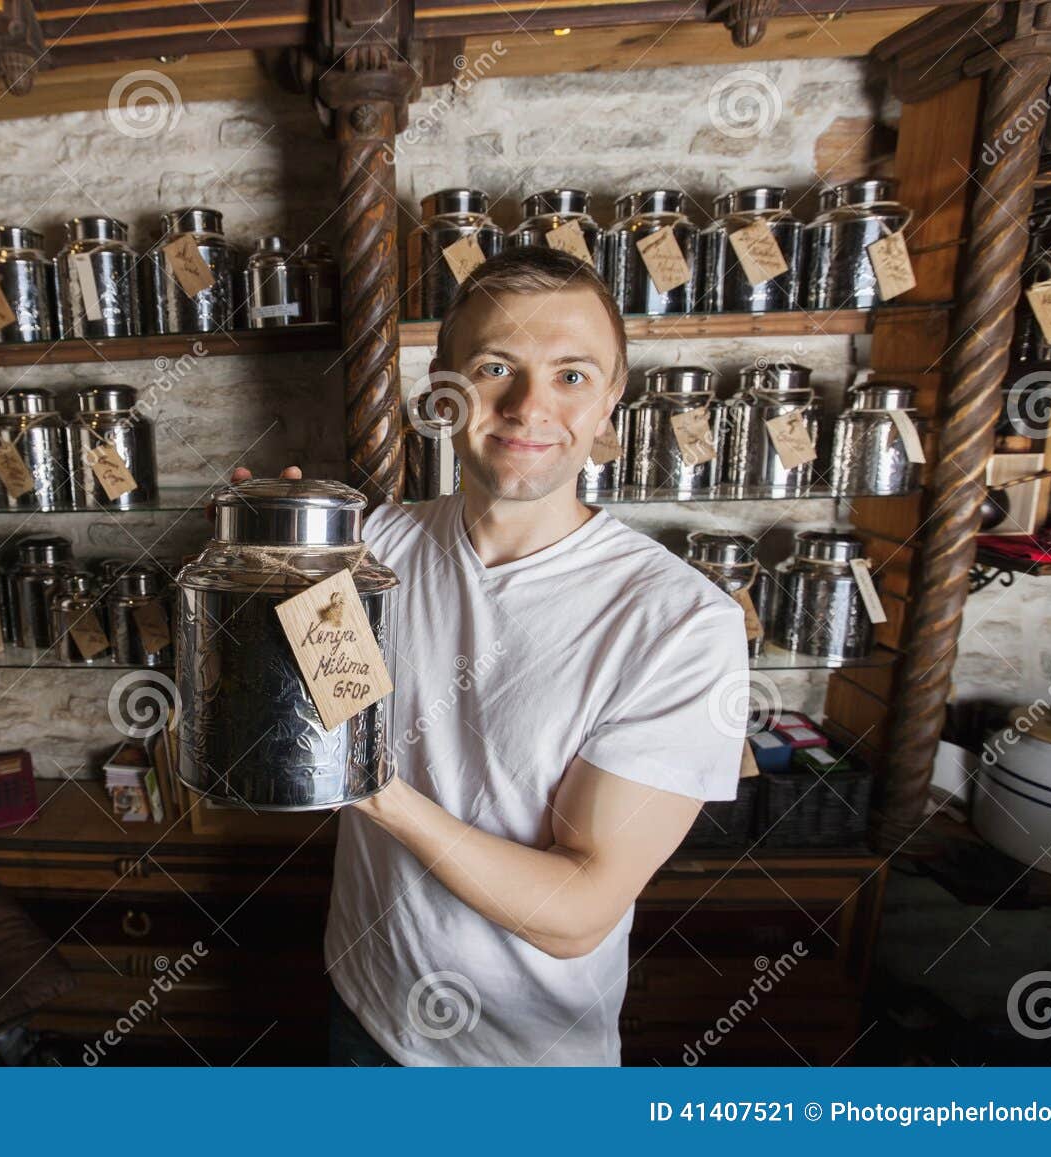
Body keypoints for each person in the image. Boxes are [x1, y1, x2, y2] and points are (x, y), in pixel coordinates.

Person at [230, 247, 748, 1066]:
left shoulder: (681, 622)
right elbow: (312, 707)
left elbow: (579, 907)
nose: (529, 406)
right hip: (363, 997)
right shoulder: (370, 548)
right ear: (444, 389)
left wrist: (370, 785)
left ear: (614, 399)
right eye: (496, 366)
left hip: (521, 1063)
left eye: (573, 375)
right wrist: (266, 559)